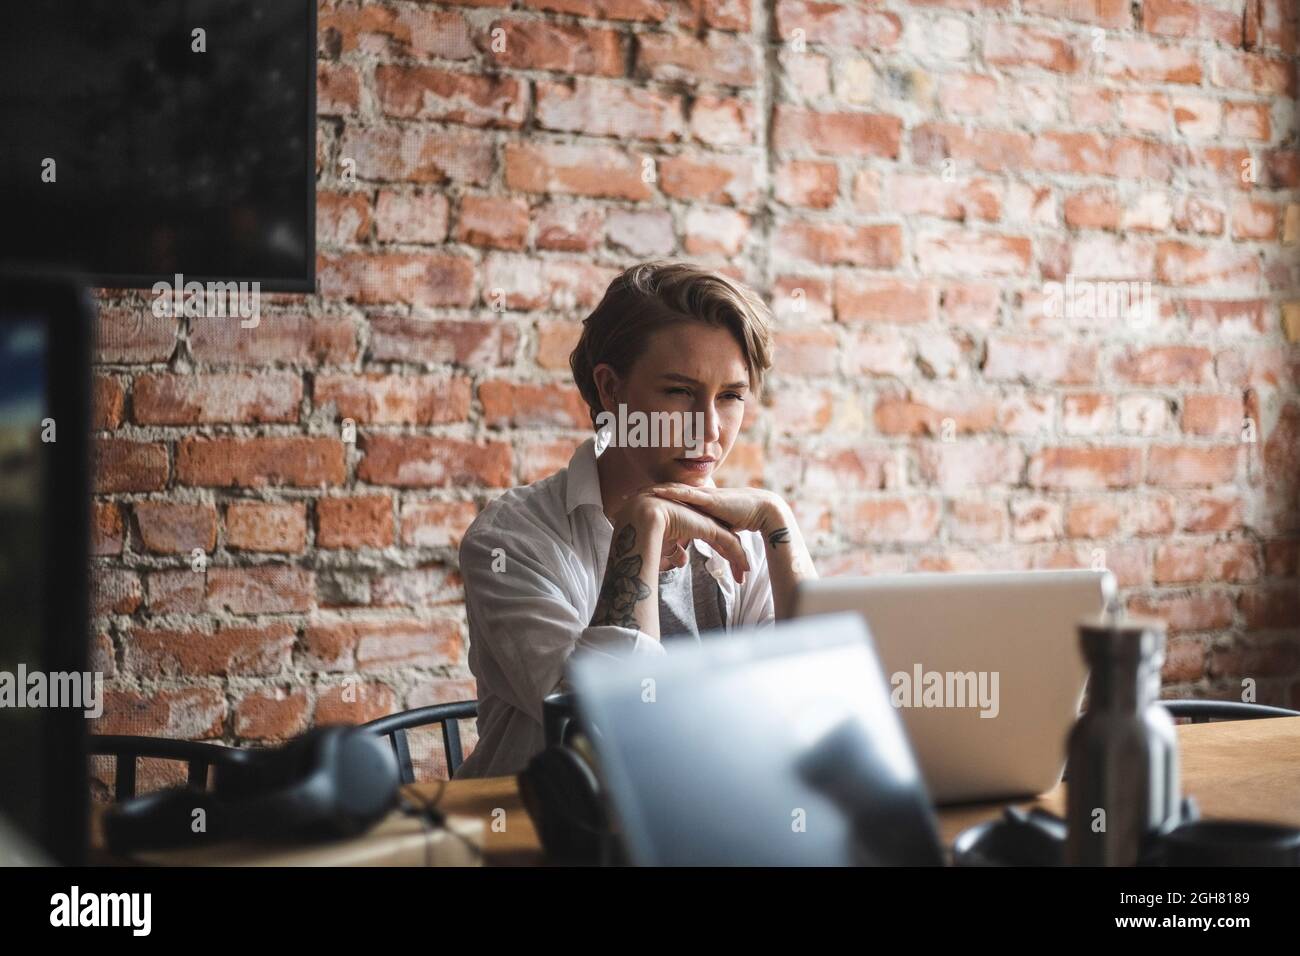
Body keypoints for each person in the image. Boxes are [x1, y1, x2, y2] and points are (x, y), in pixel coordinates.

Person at [453, 262, 816, 778]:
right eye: (679, 392)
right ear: (611, 390)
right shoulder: (511, 541)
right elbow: (607, 732)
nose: (709, 429)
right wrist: (640, 530)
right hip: (544, 824)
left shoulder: (750, 531)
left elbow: (820, 703)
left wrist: (780, 522)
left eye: (731, 396)